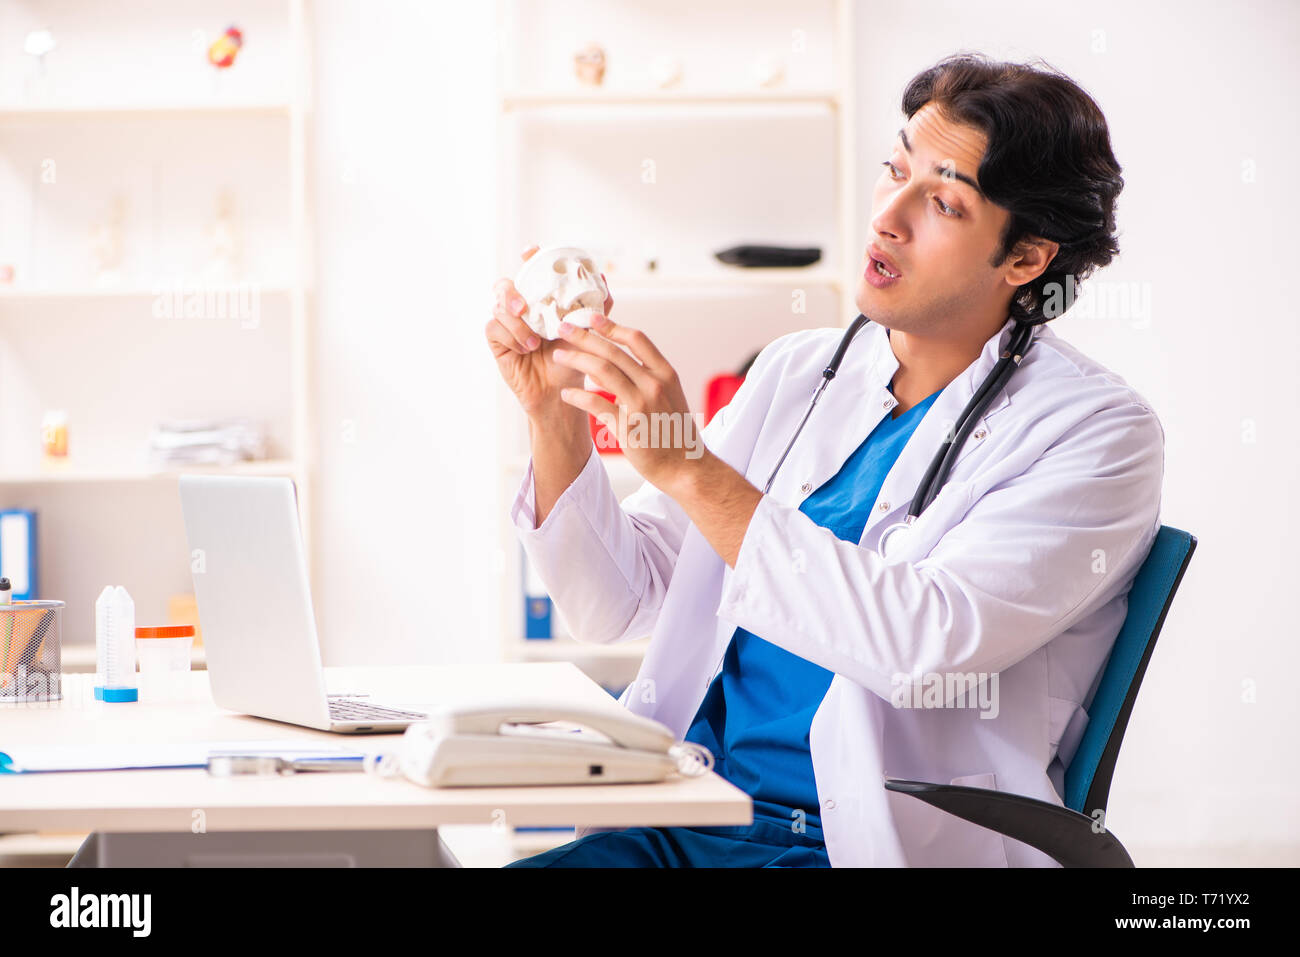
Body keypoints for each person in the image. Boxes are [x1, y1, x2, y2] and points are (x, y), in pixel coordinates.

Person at [484, 53, 1161, 867]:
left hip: (855, 846)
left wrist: (693, 469)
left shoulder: (1097, 433)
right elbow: (618, 604)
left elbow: (921, 644)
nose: (889, 217)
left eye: (942, 201)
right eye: (895, 169)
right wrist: (552, 413)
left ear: (1026, 260)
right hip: (686, 815)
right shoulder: (801, 371)